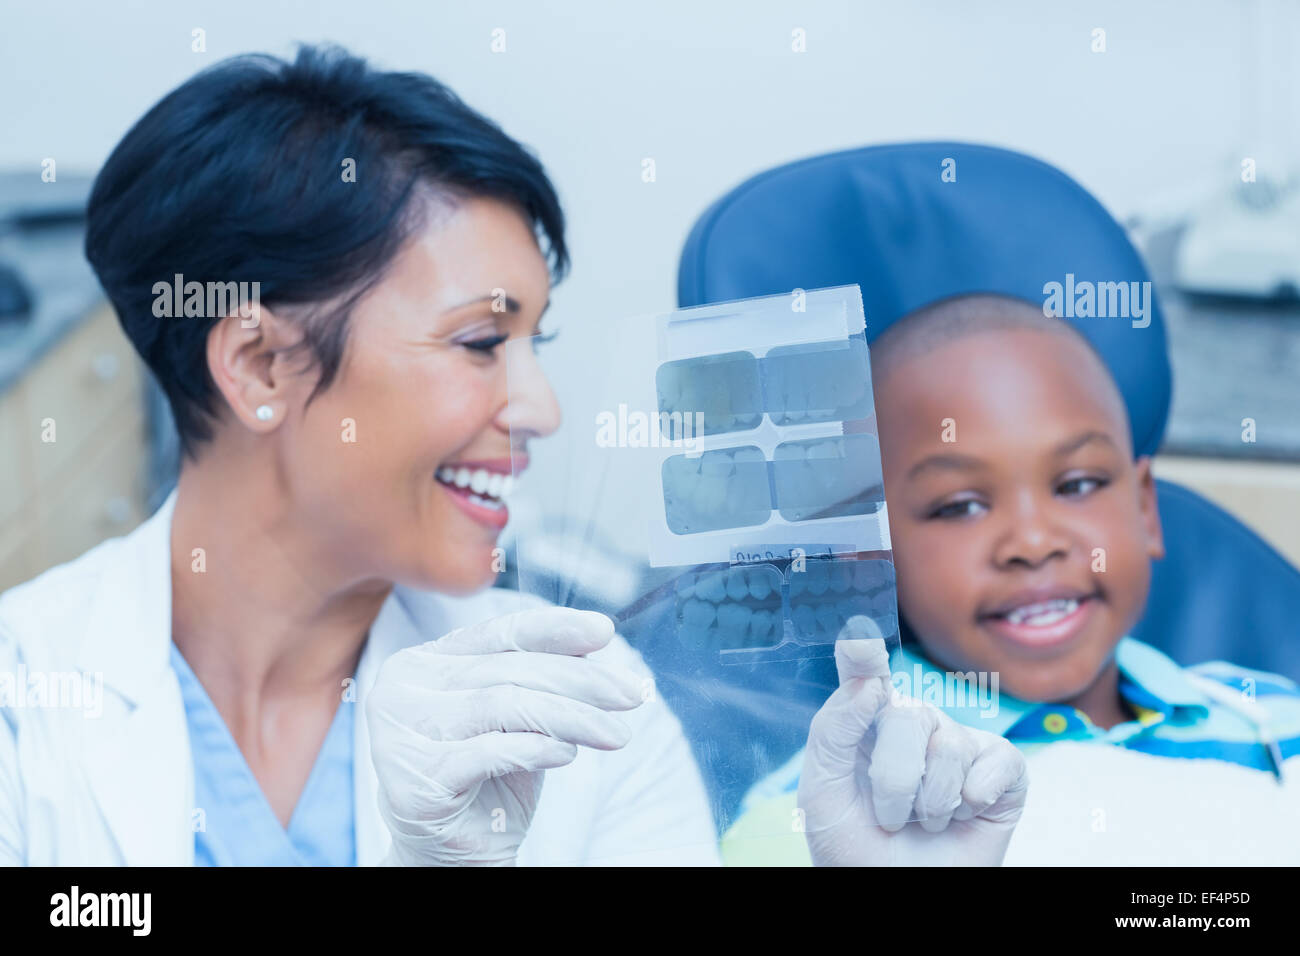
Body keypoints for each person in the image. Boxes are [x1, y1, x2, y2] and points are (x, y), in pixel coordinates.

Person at [0, 45, 718, 866]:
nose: (542, 410)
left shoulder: (585, 704)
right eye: (482, 341)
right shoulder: (24, 712)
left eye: (534, 342)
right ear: (260, 365)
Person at [728, 293, 1300, 865]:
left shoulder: (1276, 721)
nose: (1032, 543)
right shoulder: (824, 816)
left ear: (1145, 508)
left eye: (1077, 485)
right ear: (868, 560)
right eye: (960, 506)